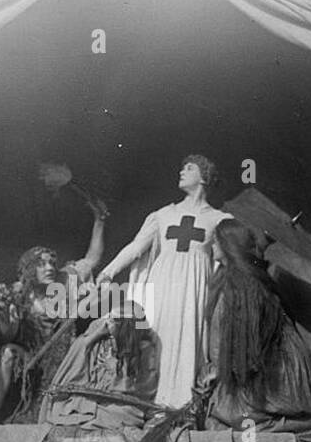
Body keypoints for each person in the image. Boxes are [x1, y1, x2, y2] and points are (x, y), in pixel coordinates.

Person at [96, 154, 228, 408]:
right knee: (159, 338)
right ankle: (152, 401)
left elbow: (229, 255)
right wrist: (108, 272)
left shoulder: (219, 219)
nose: (181, 171)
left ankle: (183, 406)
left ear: (204, 177)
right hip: (164, 284)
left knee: (191, 340)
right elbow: (136, 247)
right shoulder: (163, 215)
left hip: (195, 288)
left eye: (189, 168)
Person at [197, 219, 311, 442]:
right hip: (247, 366)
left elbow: (250, 341)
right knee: (222, 417)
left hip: (269, 371)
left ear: (228, 245)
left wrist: (222, 368)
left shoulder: (245, 284)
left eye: (216, 241)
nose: (212, 246)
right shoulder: (232, 278)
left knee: (235, 417)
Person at [0, 196, 107, 422]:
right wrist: (6, 313)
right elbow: (8, 334)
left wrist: (99, 221)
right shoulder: (17, 291)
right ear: (29, 269)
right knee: (7, 353)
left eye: (52, 262)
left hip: (67, 356)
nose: (49, 267)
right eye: (41, 264)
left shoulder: (67, 278)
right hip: (32, 357)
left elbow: (92, 260)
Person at [39, 302, 159, 431]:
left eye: (112, 321)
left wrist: (115, 372)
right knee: (62, 407)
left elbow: (141, 390)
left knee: (121, 414)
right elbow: (77, 359)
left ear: (125, 326)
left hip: (119, 405)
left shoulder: (144, 349)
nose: (107, 323)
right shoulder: (100, 336)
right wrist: (94, 336)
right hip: (92, 399)